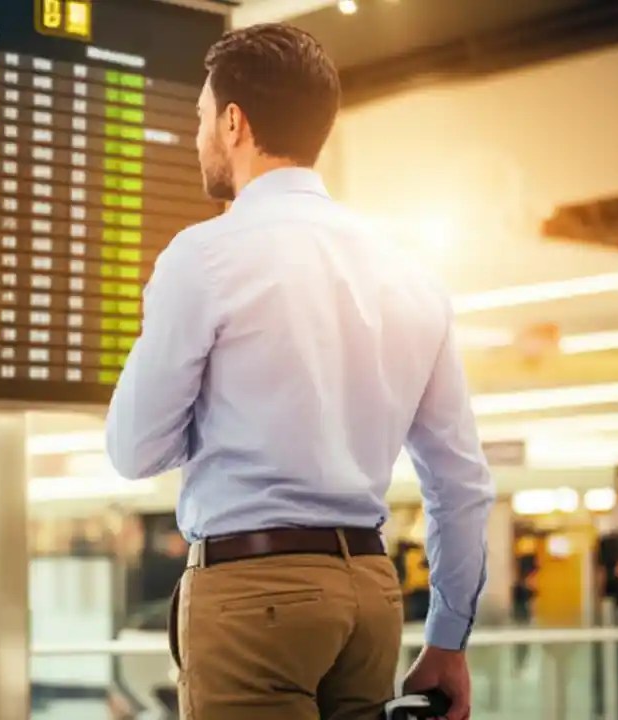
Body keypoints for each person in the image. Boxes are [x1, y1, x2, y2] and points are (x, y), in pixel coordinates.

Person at [104, 24, 495, 720]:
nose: (197, 137)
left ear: (233, 122)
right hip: (371, 597)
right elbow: (461, 483)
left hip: (255, 592)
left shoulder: (205, 256)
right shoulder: (409, 272)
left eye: (199, 118)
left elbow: (134, 451)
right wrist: (448, 638)